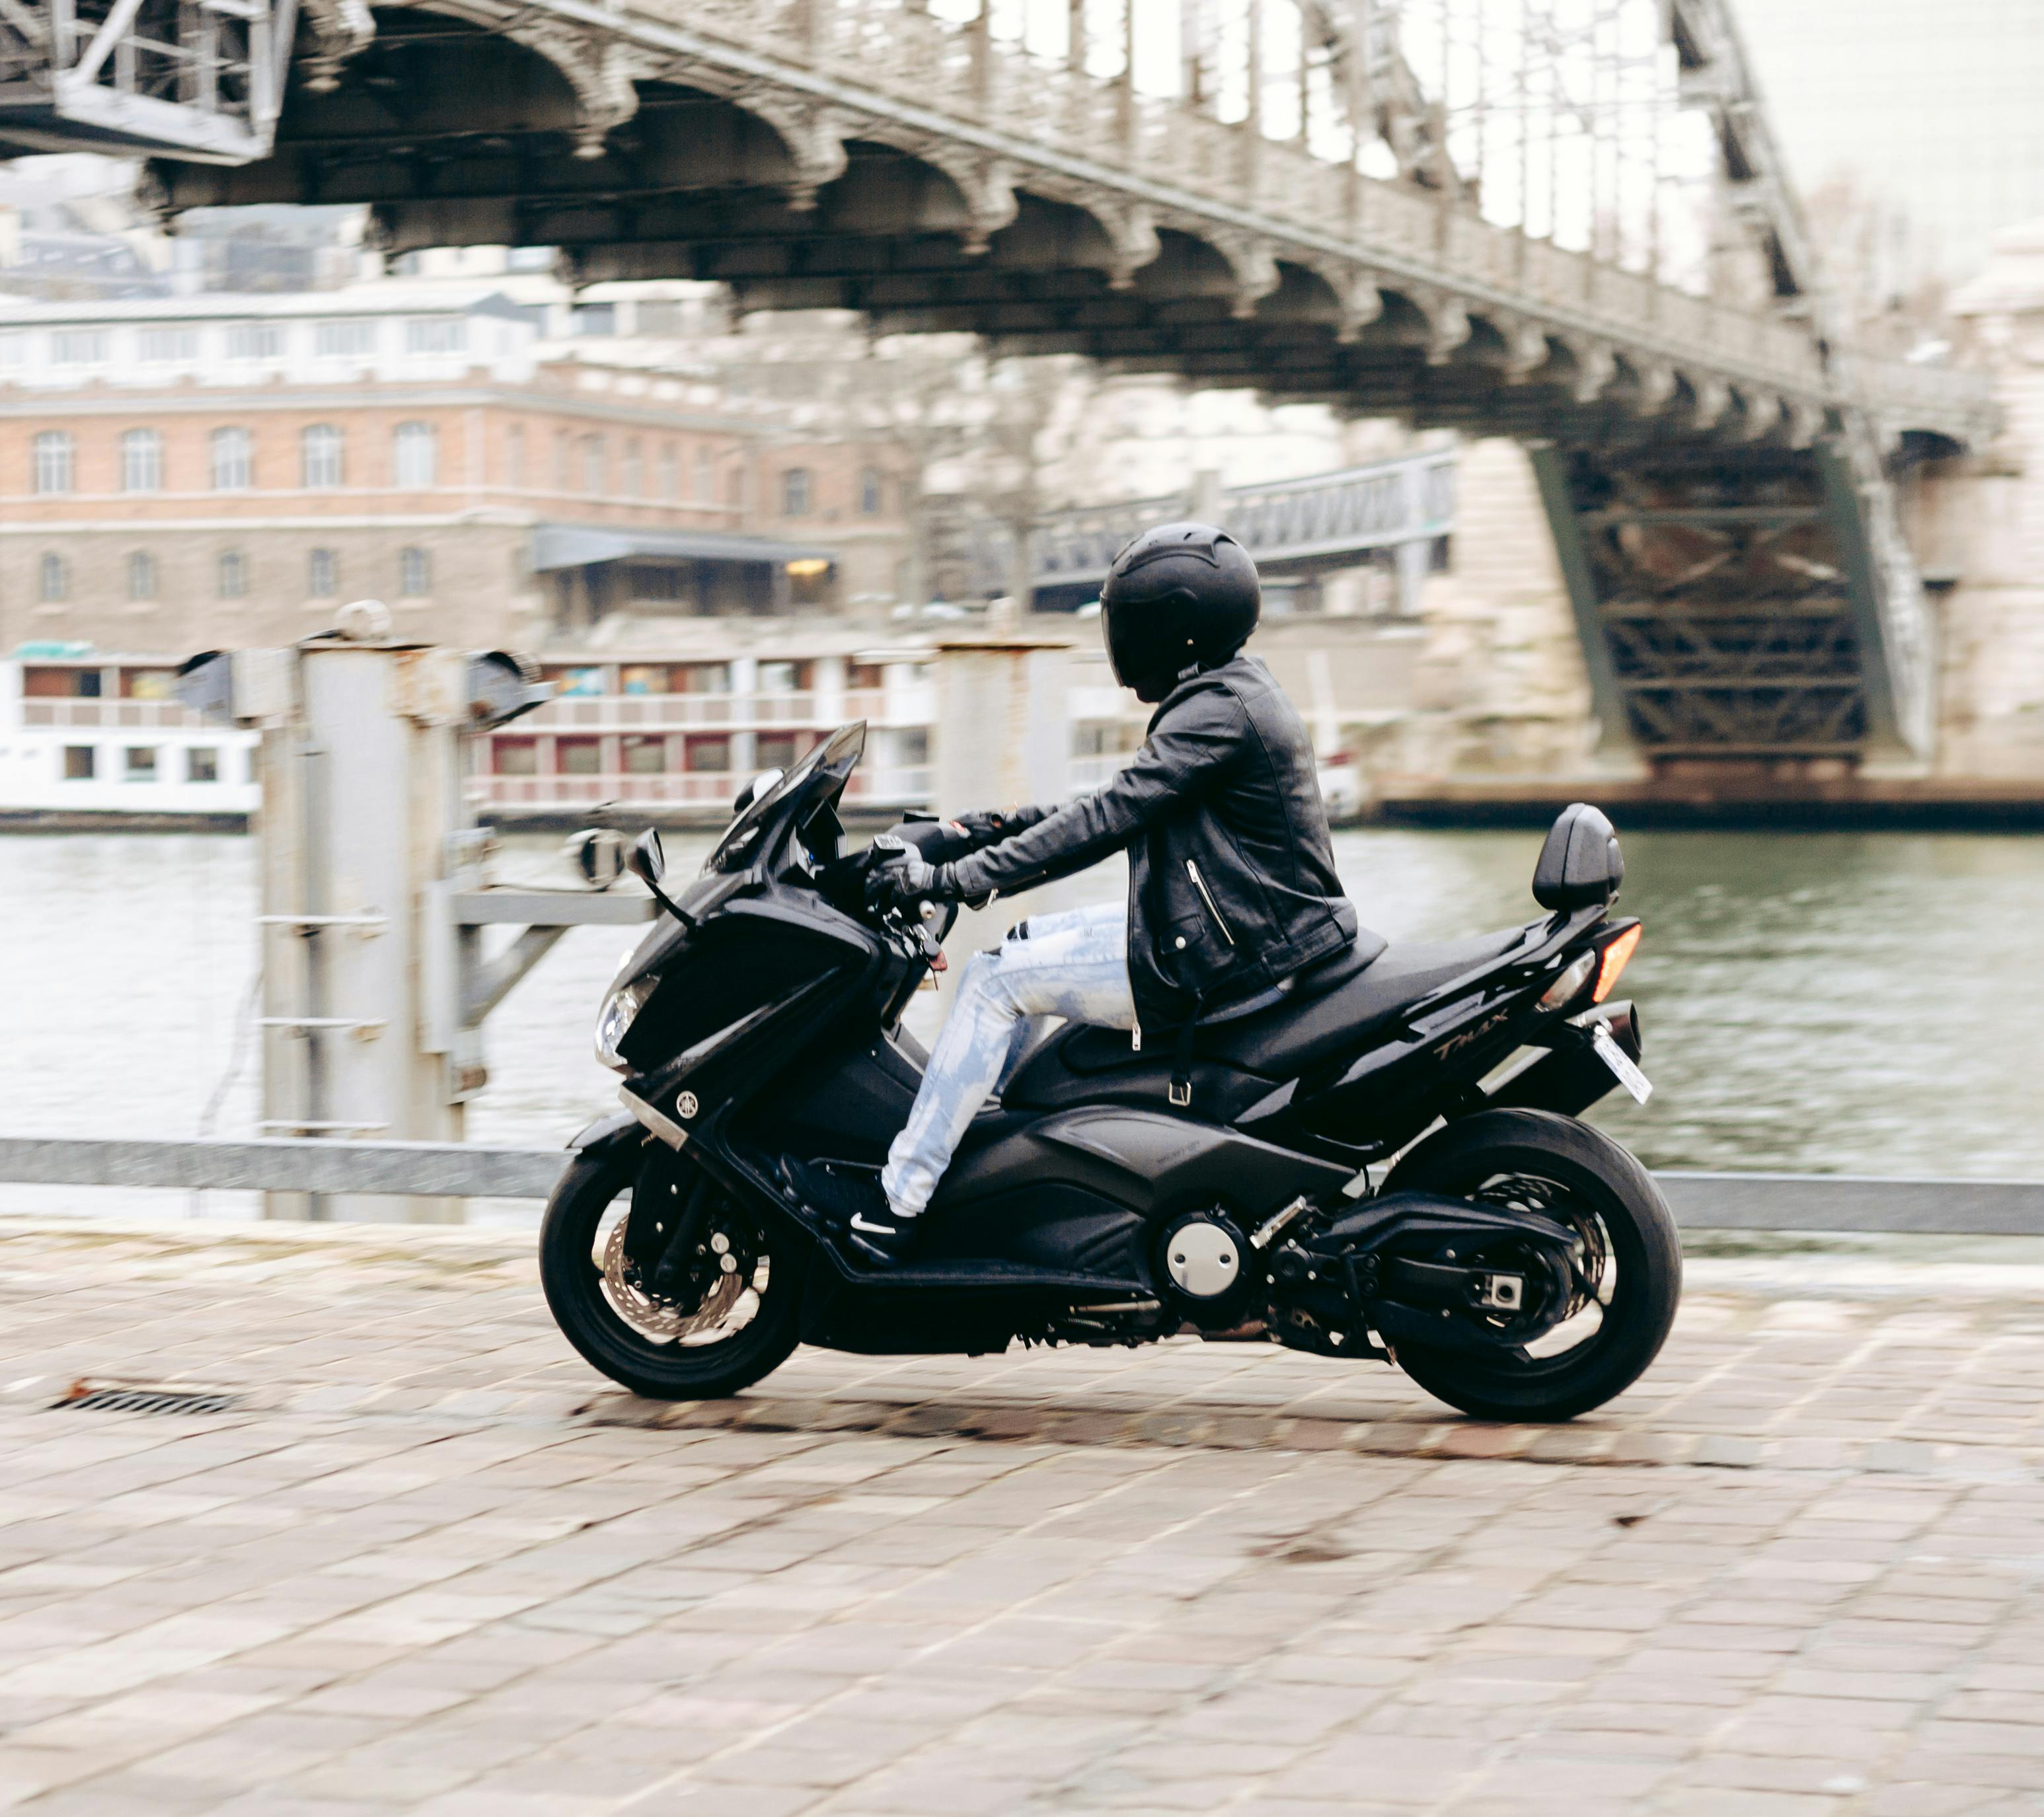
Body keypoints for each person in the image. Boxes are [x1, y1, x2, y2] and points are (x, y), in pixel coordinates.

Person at [792, 522, 1360, 1264]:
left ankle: (895, 1206)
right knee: (1019, 949)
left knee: (993, 980)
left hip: (1227, 951)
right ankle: (980, 1142)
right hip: (1240, 927)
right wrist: (982, 828)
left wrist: (950, 879)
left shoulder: (1215, 711)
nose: (1116, 636)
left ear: (1173, 629)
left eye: (1126, 620)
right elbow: (1119, 801)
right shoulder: (1228, 691)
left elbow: (1105, 821)